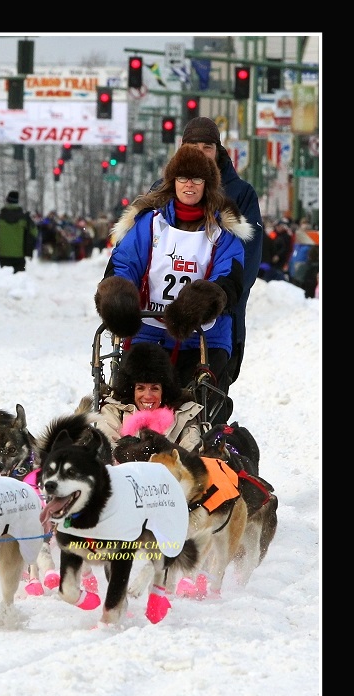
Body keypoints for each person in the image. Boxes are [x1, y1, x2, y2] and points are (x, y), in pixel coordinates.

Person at [95, 144, 253, 425]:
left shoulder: (222, 232)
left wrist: (203, 300)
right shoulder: (149, 224)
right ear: (173, 182)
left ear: (208, 184)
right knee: (134, 398)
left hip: (204, 337)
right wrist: (118, 296)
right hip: (148, 330)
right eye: (182, 178)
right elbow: (125, 263)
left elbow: (229, 278)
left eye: (197, 179)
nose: (189, 185)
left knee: (193, 407)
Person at [152, 117, 263, 386]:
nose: (200, 154)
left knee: (207, 397)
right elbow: (141, 245)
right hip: (157, 319)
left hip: (216, 320)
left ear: (218, 150)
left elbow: (244, 261)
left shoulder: (240, 194)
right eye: (193, 146)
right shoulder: (162, 190)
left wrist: (218, 298)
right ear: (181, 148)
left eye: (207, 147)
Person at [95, 341, 204, 452]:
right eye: (140, 388)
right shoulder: (114, 411)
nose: (147, 396)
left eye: (155, 388)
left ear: (164, 391)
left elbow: (192, 455)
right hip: (124, 468)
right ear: (131, 390)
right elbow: (105, 450)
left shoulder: (183, 415)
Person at [0, 191, 38, 273]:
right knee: (18, 280)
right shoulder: (24, 218)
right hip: (19, 255)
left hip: (2, 255)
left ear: (7, 200)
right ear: (17, 201)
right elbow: (34, 232)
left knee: (4, 279)